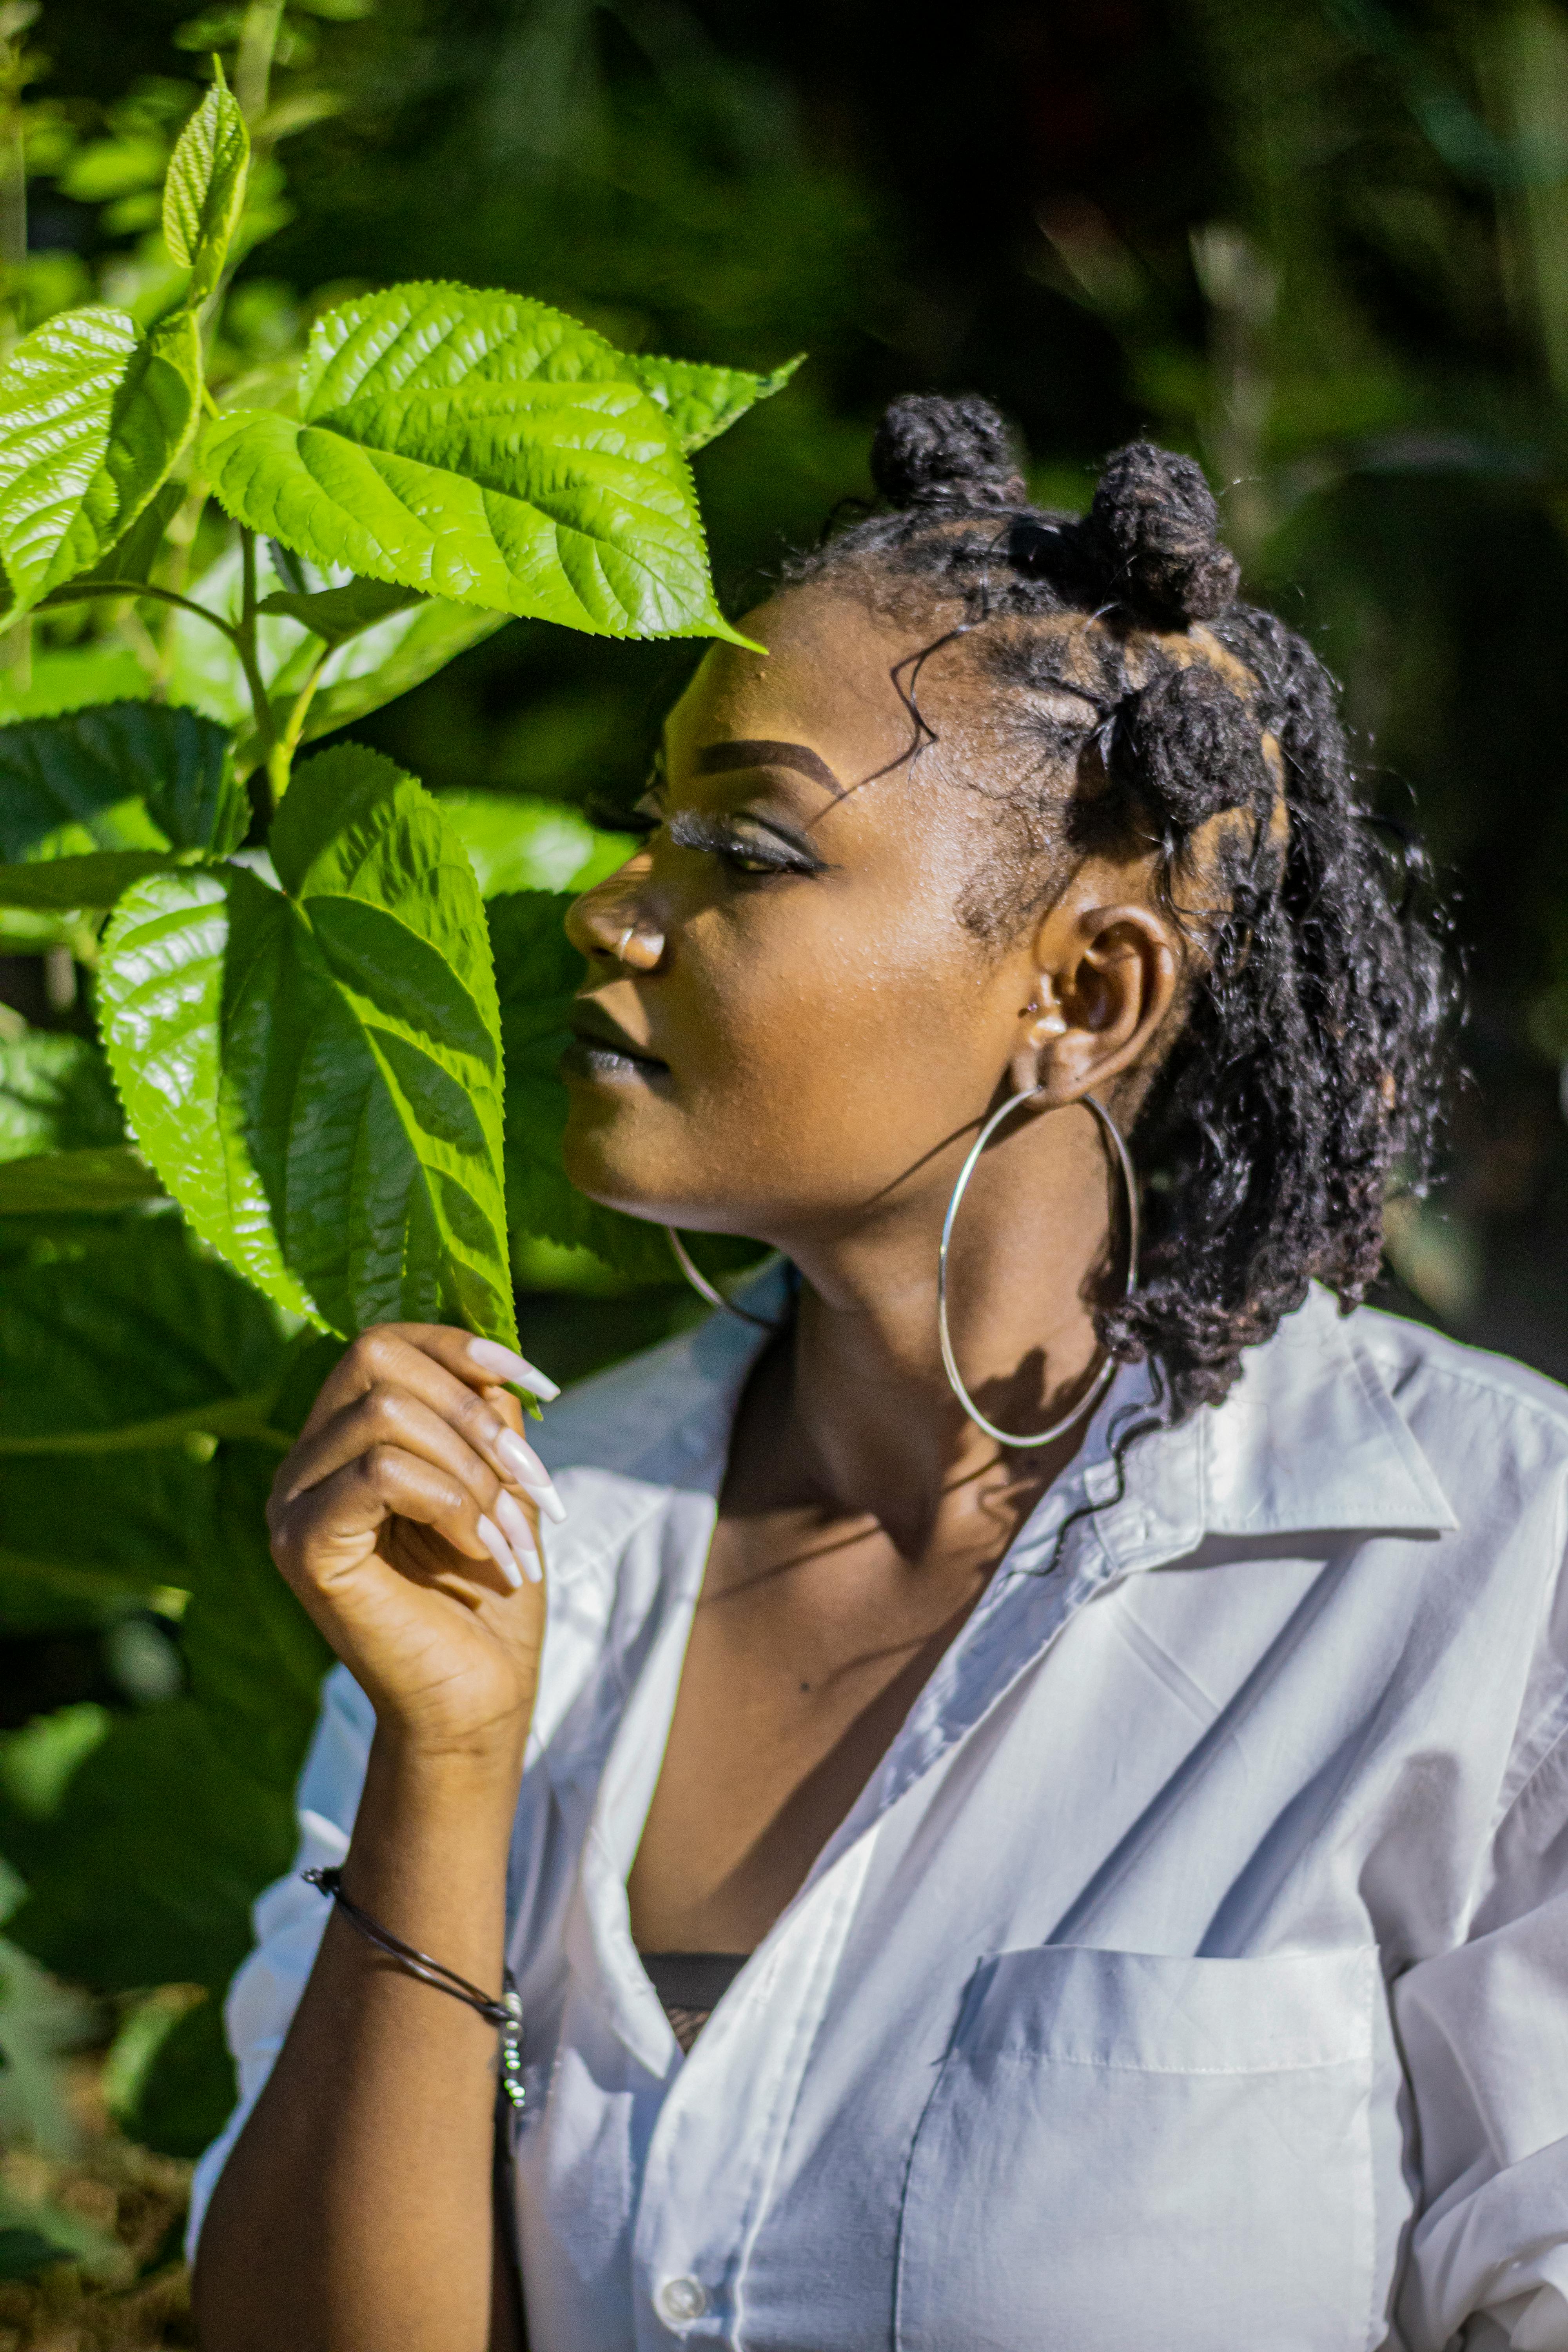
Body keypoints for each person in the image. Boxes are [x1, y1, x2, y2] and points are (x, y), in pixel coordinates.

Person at [189, 401, 1568, 2352]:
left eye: (740, 845)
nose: (609, 908)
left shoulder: (1488, 1572)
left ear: (1084, 995)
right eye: (642, 824)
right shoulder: (523, 1542)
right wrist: (450, 1757)